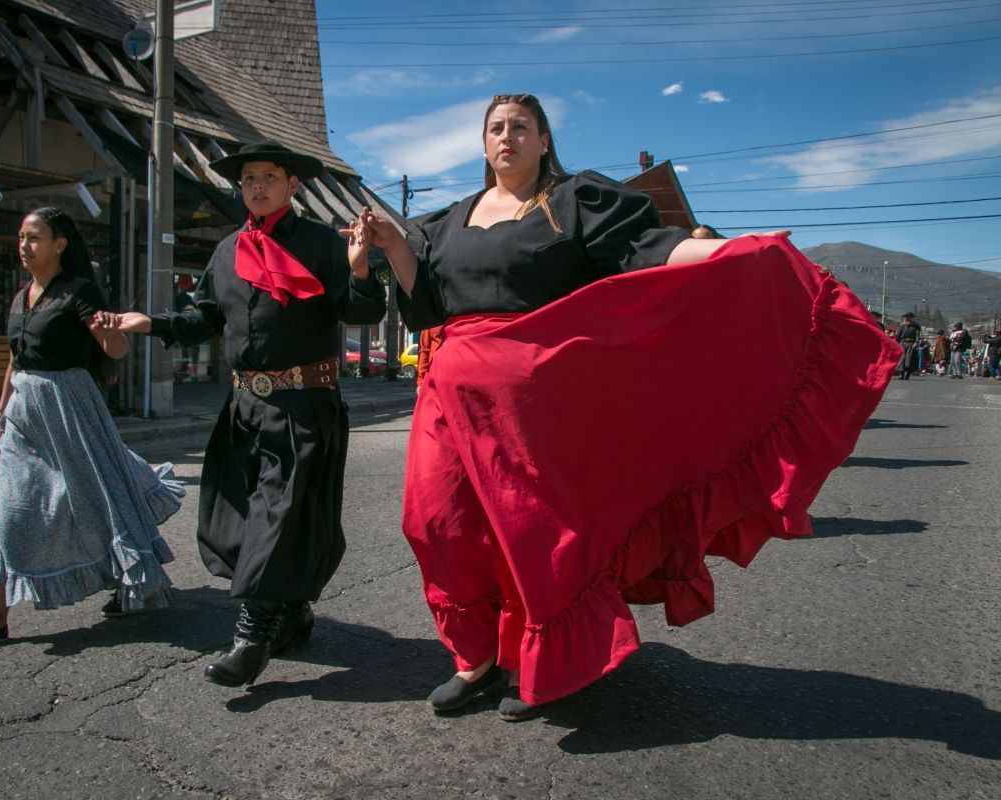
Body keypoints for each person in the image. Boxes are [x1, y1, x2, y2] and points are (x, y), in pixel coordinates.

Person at [352, 93, 899, 722]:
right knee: (435, 523)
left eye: (522, 127)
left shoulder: (571, 204)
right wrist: (396, 246)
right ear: (482, 145)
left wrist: (727, 250)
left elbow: (650, 249)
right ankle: (474, 657)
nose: (508, 137)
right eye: (497, 128)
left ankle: (542, 661)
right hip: (449, 396)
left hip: (539, 403)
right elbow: (428, 308)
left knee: (532, 537)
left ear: (543, 141)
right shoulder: (449, 222)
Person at [99, 141, 386, 687]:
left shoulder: (323, 243)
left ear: (292, 185)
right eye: (249, 178)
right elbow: (203, 316)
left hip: (303, 405)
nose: (256, 186)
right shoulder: (228, 249)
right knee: (234, 519)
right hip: (244, 407)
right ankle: (293, 613)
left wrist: (360, 268)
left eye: (269, 177)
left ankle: (252, 637)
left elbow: (361, 311)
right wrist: (148, 324)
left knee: (279, 517)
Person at [0, 207, 184, 650]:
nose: (24, 245)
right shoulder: (21, 297)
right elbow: (16, 356)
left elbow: (114, 348)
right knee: (11, 511)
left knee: (95, 497)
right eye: (20, 237)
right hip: (25, 415)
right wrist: (3, 405)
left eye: (34, 237)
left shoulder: (78, 291)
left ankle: (126, 579)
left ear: (60, 244)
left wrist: (113, 329)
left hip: (69, 409)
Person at [414, 325, 444, 394]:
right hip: (434, 375)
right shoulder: (431, 321)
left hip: (452, 374)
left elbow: (424, 351)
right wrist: (420, 381)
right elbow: (424, 351)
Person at [895, 312, 921, 379]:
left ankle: (908, 372)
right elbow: (898, 336)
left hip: (911, 344)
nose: (908, 318)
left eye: (909, 317)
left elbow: (917, 335)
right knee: (902, 358)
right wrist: (896, 343)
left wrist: (916, 342)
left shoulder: (915, 326)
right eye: (907, 317)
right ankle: (901, 373)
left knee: (909, 358)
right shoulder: (902, 326)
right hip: (903, 343)